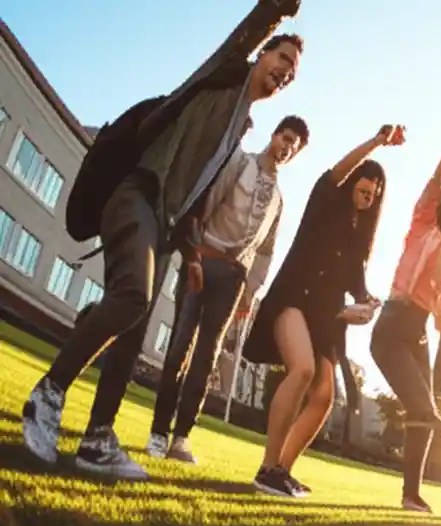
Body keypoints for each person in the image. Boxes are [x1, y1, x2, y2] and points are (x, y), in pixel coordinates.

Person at [22, 1, 304, 478]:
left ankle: (96, 439)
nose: (285, 73)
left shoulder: (239, 130)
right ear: (263, 56)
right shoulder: (225, 78)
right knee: (132, 296)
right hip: (137, 193)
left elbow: (194, 196)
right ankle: (48, 393)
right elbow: (246, 33)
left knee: (132, 331)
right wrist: (277, 10)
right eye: (283, 60)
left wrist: (190, 251)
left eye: (293, 74)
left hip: (165, 224)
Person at [242, 125, 404, 497]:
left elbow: (357, 287)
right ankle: (267, 469)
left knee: (323, 397)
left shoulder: (359, 238)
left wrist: (367, 305)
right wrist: (377, 142)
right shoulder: (325, 201)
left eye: (373, 194)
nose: (368, 195)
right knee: (301, 370)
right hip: (293, 300)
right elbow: (337, 173)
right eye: (363, 188)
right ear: (352, 185)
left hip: (328, 321)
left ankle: (282, 469)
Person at [145, 115, 310, 464]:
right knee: (179, 346)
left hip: (233, 277)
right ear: (276, 134)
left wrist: (250, 292)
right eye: (286, 139)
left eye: (294, 147)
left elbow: (265, 251)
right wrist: (193, 253)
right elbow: (207, 204)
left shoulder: (279, 200)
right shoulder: (239, 163)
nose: (287, 148)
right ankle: (158, 431)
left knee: (207, 356)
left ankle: (181, 438)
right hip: (202, 260)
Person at [368, 108, 441, 512]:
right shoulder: (423, 224)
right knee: (425, 408)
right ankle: (438, 420)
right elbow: (439, 174)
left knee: (420, 416)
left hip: (419, 330)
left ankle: (411, 495)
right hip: (392, 324)